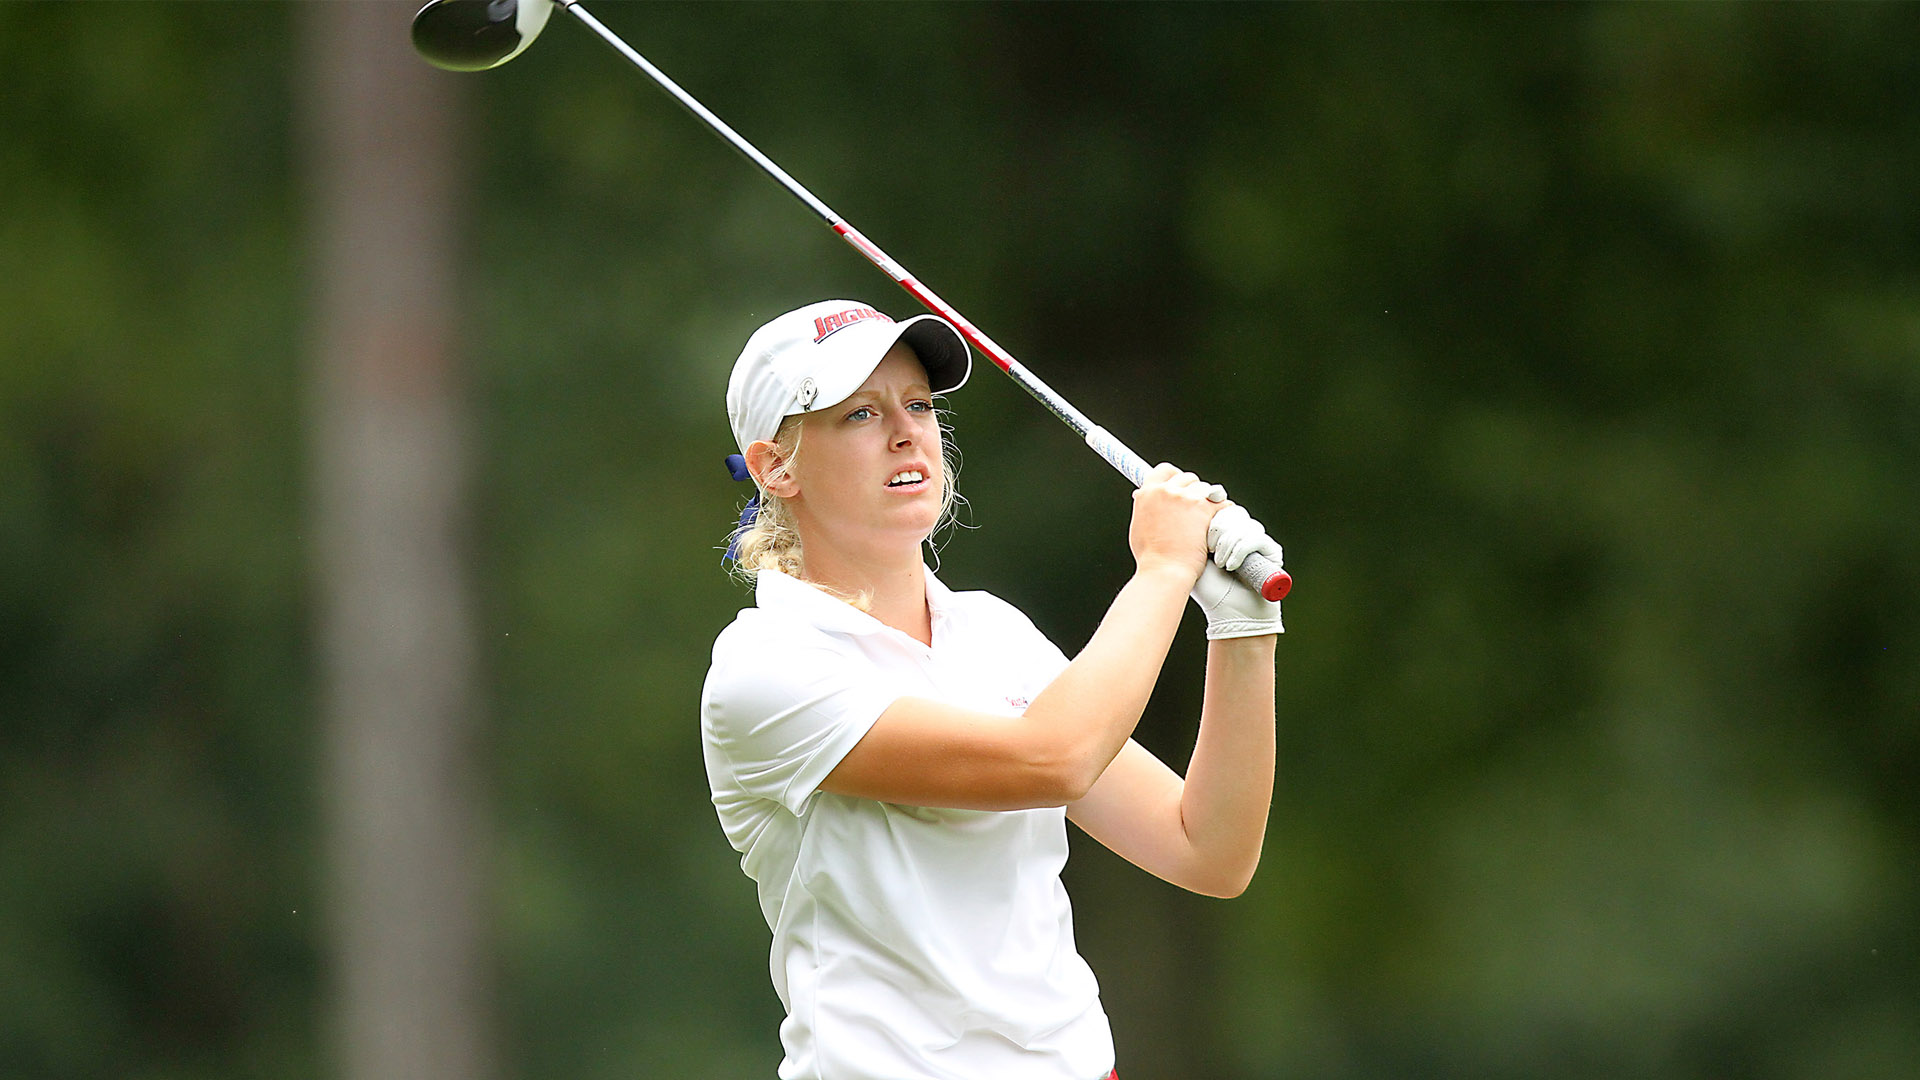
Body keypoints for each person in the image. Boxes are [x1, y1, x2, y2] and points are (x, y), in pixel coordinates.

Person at [701, 299, 1283, 1080]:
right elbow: (1053, 760)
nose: (907, 432)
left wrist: (1242, 633)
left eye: (917, 404)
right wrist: (1165, 571)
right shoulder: (765, 664)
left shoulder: (992, 632)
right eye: (860, 414)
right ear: (776, 466)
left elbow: (1207, 850)